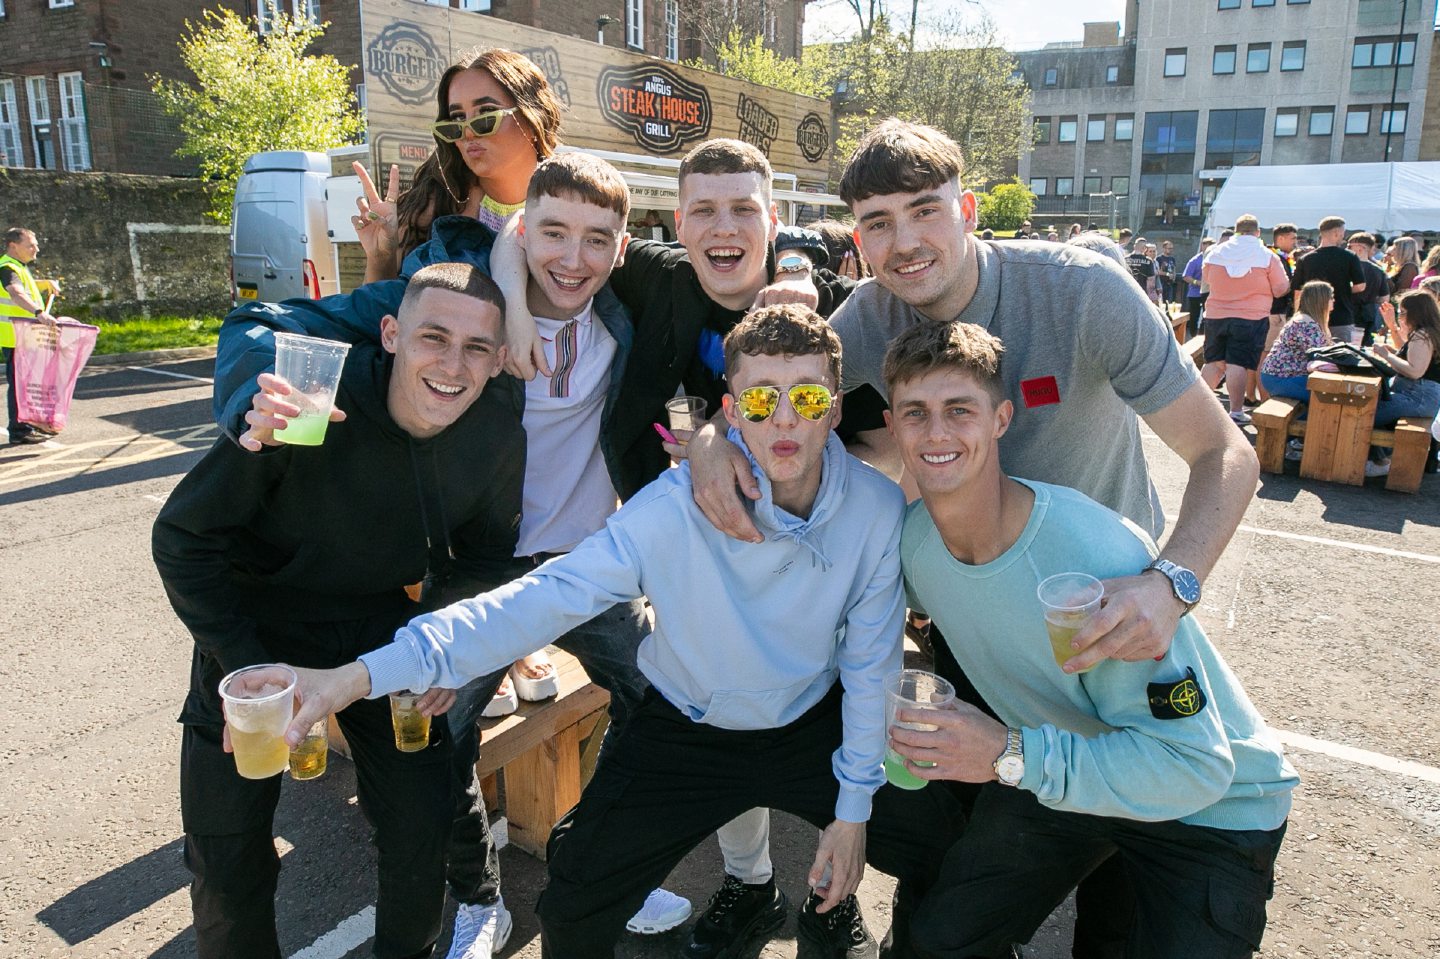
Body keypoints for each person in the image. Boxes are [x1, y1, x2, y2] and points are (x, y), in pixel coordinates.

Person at [686, 119, 1260, 957]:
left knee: (1119, 897)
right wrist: (712, 441)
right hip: (979, 628)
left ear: (969, 207)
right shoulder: (868, 320)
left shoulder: (1083, 293)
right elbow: (769, 400)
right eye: (878, 223)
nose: (905, 242)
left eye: (925, 210)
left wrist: (1170, 584)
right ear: (858, 238)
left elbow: (1225, 453)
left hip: (1109, 619)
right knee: (951, 877)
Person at [268, 305, 965, 959]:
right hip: (687, 726)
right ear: (730, 410)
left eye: (808, 399)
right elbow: (539, 599)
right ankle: (752, 892)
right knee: (572, 902)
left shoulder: (874, 508)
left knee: (947, 855)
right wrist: (359, 675)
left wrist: (852, 813)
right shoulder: (671, 510)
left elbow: (872, 661)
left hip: (811, 721)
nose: (785, 418)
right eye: (760, 400)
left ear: (835, 407)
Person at [218, 154, 688, 958]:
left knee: (667, 699)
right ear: (521, 230)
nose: (573, 258)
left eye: (596, 239)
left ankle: (598, 852)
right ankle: (479, 894)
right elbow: (267, 324)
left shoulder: (627, 312)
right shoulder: (468, 302)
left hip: (590, 562)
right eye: (553, 232)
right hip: (481, 566)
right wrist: (252, 400)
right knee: (436, 734)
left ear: (620, 247)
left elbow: (719, 279)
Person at [877, 319, 1298, 959]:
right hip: (1067, 762)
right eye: (916, 413)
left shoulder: (1094, 558)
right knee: (939, 941)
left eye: (959, 410)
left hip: (1210, 811)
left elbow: (1196, 766)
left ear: (1001, 419)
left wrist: (1007, 753)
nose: (936, 433)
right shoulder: (914, 542)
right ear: (893, 426)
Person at [154, 263, 526, 959]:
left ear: (500, 357)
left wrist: (439, 648)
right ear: (390, 334)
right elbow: (183, 537)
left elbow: (484, 559)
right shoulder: (312, 405)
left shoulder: (496, 432)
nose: (453, 365)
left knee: (420, 821)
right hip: (255, 627)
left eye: (476, 347)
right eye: (433, 337)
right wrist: (241, 660)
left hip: (381, 629)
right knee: (227, 851)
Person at [352, 48, 562, 287]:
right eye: (457, 118)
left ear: (533, 117)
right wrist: (380, 258)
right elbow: (381, 304)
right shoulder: (434, 205)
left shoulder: (573, 197)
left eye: (486, 114)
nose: (468, 132)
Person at [1199, 215, 1290, 425]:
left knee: (1213, 362)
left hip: (1216, 314)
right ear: (1257, 232)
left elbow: (1207, 280)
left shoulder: (1216, 253)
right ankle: (1236, 411)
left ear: (1236, 231)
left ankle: (1199, 407)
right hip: (1251, 316)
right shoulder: (1267, 256)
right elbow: (1280, 288)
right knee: (1237, 363)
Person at [1, 226, 60, 445]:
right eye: (31, 245)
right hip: (15, 337)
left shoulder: (16, 267)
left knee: (25, 385)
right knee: (20, 385)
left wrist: (45, 284)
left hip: (22, 336)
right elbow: (16, 292)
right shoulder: (8, 268)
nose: (37, 249)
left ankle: (27, 425)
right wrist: (39, 312)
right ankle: (19, 431)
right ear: (13, 246)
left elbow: (23, 285)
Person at [1372, 289, 1440, 450]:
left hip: (1418, 398)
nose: (1401, 317)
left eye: (1403, 313)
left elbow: (1415, 371)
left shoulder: (1422, 335)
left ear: (1416, 313)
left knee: (1366, 413)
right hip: (1420, 396)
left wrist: (1386, 355)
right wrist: (1392, 330)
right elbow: (1412, 356)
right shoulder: (1428, 332)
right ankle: (1380, 457)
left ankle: (1378, 458)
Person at [1290, 215, 1366, 343]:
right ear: (1336, 233)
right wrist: (1343, 289)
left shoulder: (1305, 259)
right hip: (1341, 317)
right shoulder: (1349, 257)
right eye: (1342, 233)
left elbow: (1298, 292)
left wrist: (1296, 317)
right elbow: (1361, 286)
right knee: (1342, 354)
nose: (1343, 237)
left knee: (1311, 354)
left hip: (1311, 318)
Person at [1259, 280, 1333, 401]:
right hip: (1282, 379)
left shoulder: (1307, 319)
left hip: (1283, 376)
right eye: (1331, 297)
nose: (1333, 300)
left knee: (1330, 392)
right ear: (1320, 300)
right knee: (1329, 395)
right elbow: (1321, 355)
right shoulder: (1305, 323)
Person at [1347, 233, 1389, 347]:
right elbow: (1384, 299)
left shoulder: (1347, 267)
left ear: (1360, 248)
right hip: (1368, 315)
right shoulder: (1379, 271)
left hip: (1347, 313)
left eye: (1349, 246)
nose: (1347, 249)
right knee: (1363, 348)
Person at [1182, 237, 1214, 337]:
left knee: (1207, 316)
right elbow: (1186, 276)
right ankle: (1192, 336)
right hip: (1195, 294)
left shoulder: (1215, 259)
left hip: (1209, 293)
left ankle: (1202, 336)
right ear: (1202, 246)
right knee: (1194, 316)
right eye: (1207, 245)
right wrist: (1197, 282)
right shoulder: (1195, 260)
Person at [1155, 239, 1177, 306]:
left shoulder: (1172, 259)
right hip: (1161, 283)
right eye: (1169, 248)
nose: (1170, 250)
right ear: (1164, 248)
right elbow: (1157, 271)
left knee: (1169, 302)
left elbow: (1174, 269)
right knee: (1161, 302)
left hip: (1170, 284)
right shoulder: (1159, 258)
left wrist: (1174, 277)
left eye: (1171, 248)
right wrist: (1167, 274)